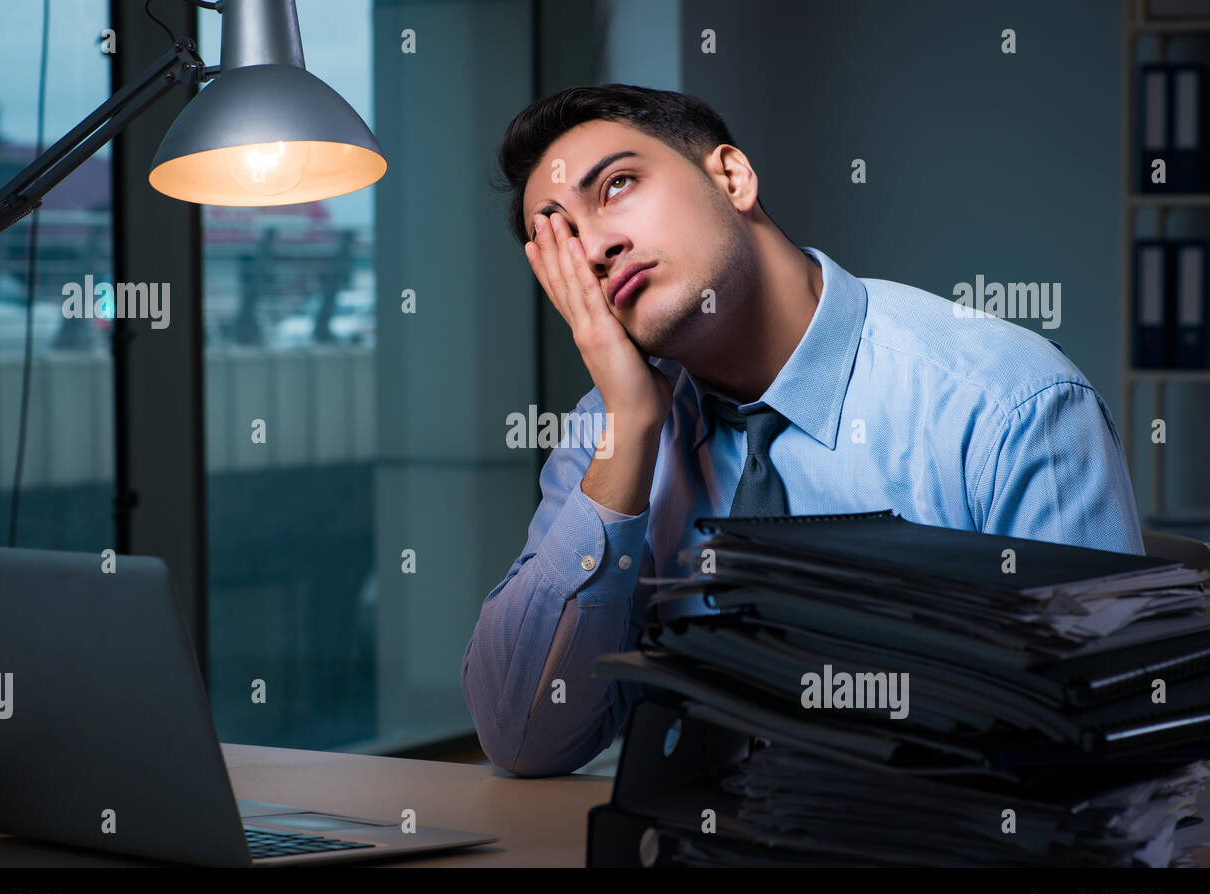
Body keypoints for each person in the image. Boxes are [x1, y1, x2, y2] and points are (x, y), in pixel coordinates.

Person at [461, 83, 1144, 778]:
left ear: (732, 176)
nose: (598, 246)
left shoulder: (1005, 402)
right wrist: (631, 432)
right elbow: (523, 736)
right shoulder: (613, 428)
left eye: (617, 186)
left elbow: (1106, 752)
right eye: (562, 236)